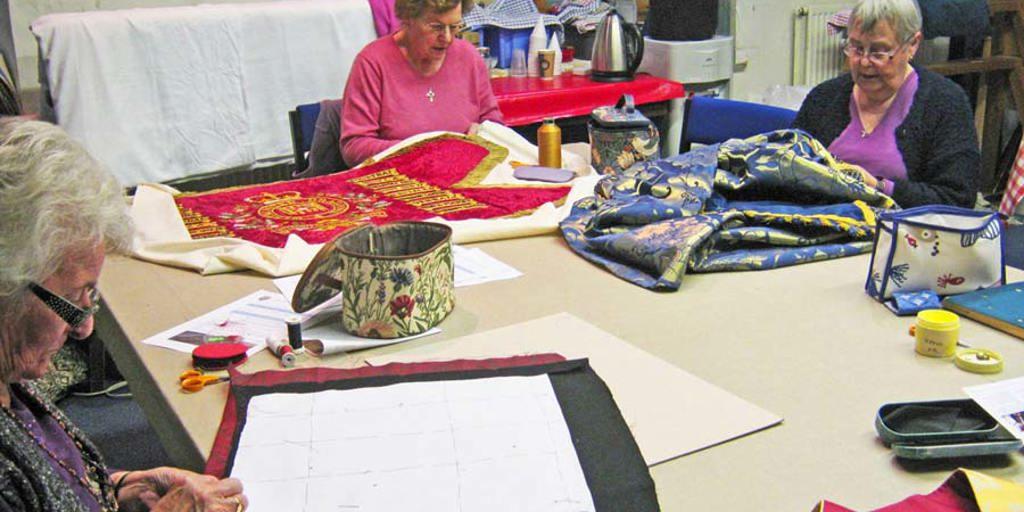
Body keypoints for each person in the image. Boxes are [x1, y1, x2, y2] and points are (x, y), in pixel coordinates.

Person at [0, 118, 248, 512]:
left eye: (90, 296)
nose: (85, 327)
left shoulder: (10, 378)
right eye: (71, 299)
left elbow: (55, 480)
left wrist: (120, 486)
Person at [792, 0, 979, 208]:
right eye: (856, 48)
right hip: (821, 220)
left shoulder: (945, 103)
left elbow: (957, 199)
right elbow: (786, 168)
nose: (864, 62)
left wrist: (877, 187)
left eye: (878, 52)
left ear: (912, 44)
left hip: (899, 226)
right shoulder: (824, 97)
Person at [340, 0, 504, 167]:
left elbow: (494, 124)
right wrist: (422, 151)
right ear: (408, 19)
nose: (447, 38)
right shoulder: (373, 63)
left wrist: (486, 133)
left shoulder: (469, 57)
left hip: (465, 171)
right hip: (399, 176)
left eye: (455, 27)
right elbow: (354, 146)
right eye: (436, 27)